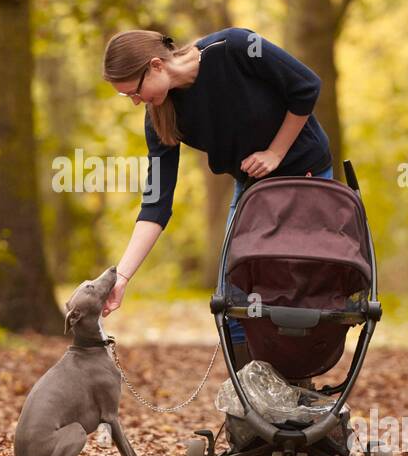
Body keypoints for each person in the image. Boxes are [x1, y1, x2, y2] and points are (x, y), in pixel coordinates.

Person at [100, 26, 333, 370]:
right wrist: (121, 278)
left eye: (134, 91)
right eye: (128, 97)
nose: (136, 101)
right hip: (251, 187)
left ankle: (298, 383)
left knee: (294, 290)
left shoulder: (235, 48)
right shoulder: (160, 120)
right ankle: (252, 394)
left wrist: (275, 152)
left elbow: (306, 85)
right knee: (233, 299)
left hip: (305, 174)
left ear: (156, 66)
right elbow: (156, 205)